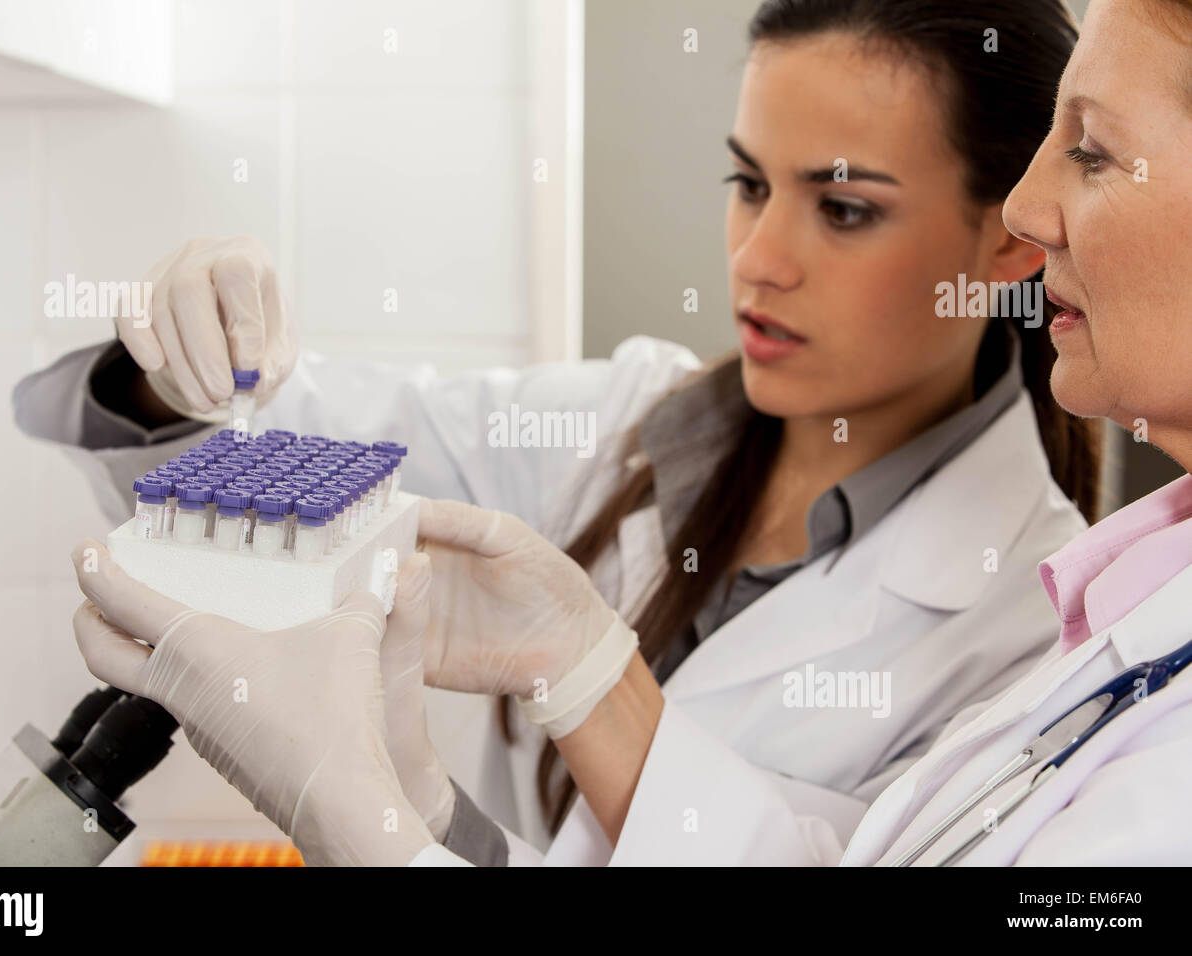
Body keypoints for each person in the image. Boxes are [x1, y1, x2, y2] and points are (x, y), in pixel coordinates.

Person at [72, 0, 1192, 866]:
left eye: (843, 208)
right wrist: (184, 362)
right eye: (748, 184)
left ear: (997, 245)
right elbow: (273, 459)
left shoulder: (1021, 628)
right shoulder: (629, 424)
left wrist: (376, 822)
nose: (758, 258)